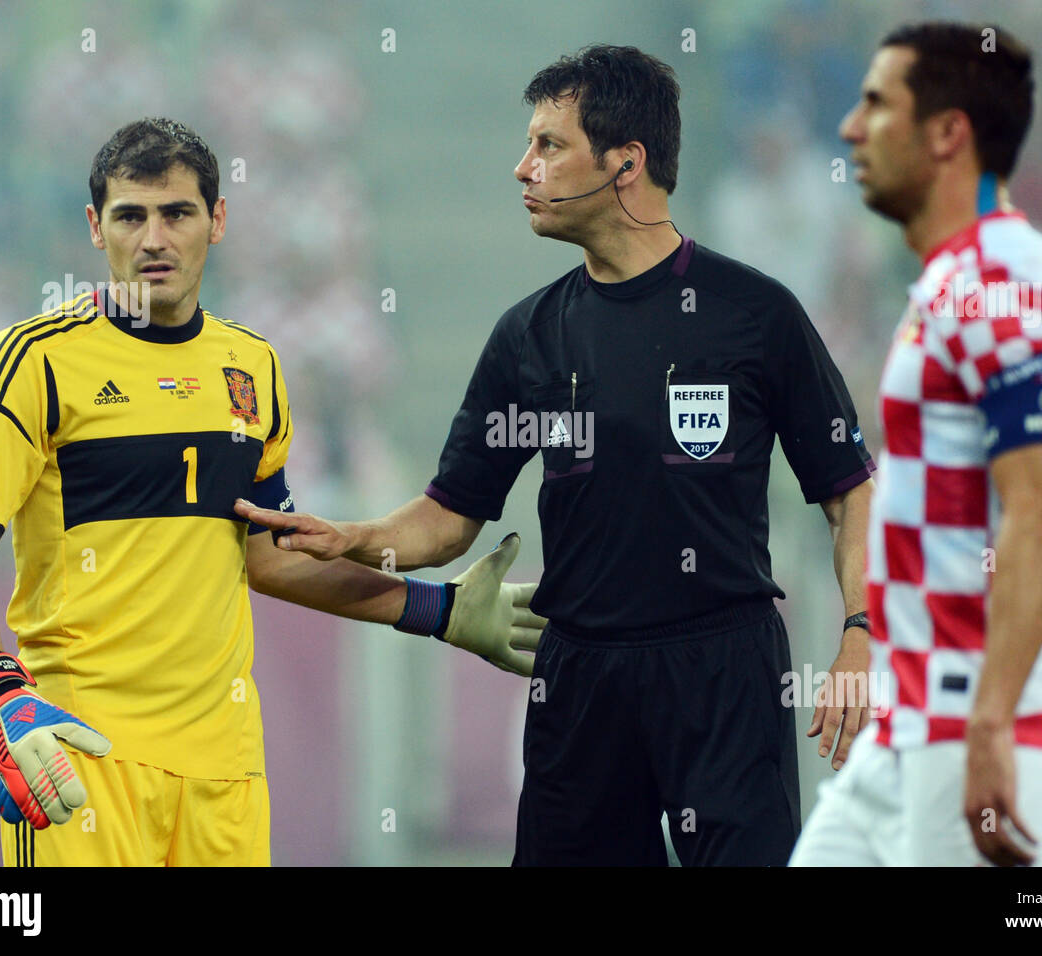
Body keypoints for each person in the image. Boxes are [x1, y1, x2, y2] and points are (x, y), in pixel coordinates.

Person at [236, 45, 876, 866]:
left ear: (626, 164)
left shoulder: (754, 314)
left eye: (548, 145)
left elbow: (848, 488)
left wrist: (858, 630)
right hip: (580, 677)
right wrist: (356, 537)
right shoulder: (528, 337)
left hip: (723, 671)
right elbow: (448, 521)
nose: (521, 168)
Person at [0, 117, 544, 867]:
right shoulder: (35, 360)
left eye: (177, 213)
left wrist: (433, 607)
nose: (154, 238)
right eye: (130, 216)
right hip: (81, 757)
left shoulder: (252, 369)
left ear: (217, 221)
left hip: (225, 770)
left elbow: (267, 557)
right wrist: (0, 690)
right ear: (96, 227)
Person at [790, 22, 1042, 867]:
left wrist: (993, 723)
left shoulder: (996, 285)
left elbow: (1038, 511)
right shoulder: (957, 279)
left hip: (986, 722)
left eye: (876, 104)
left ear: (947, 133)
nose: (851, 128)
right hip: (912, 720)